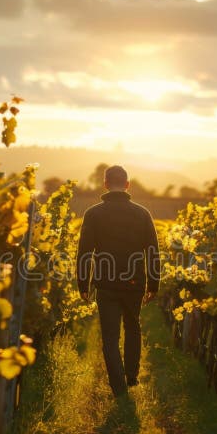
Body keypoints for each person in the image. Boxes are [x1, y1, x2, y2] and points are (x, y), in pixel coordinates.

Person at [76, 165, 160, 397]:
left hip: (106, 283)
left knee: (110, 336)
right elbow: (152, 251)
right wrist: (153, 284)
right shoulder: (142, 213)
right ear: (127, 185)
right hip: (134, 282)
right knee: (133, 326)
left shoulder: (93, 214)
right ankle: (131, 377)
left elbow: (85, 252)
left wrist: (83, 284)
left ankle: (118, 387)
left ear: (105, 185)